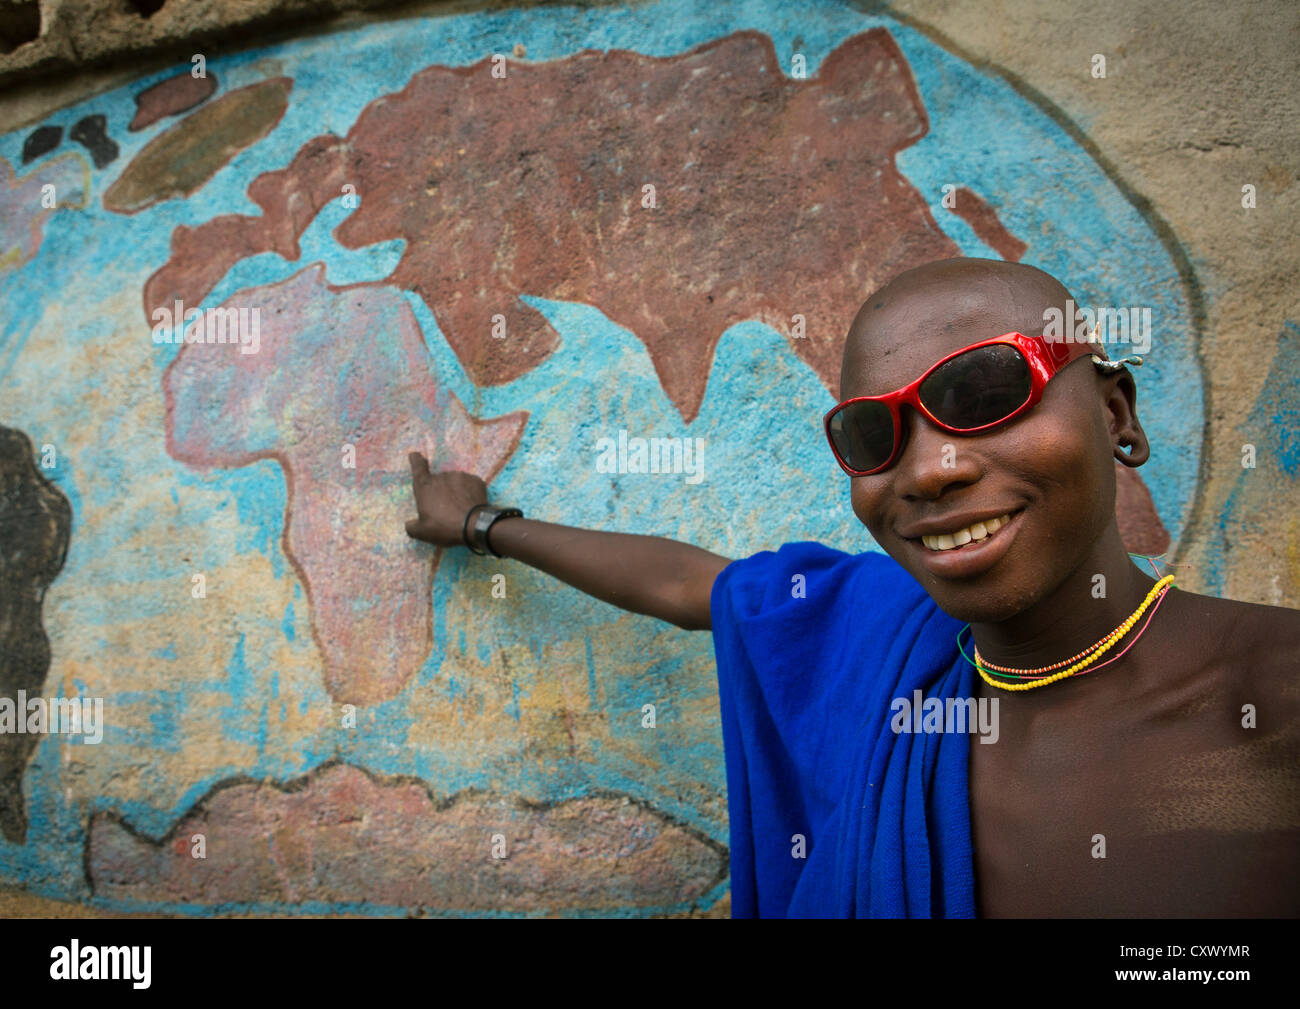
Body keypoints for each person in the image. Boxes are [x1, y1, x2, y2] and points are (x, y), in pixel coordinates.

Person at [404, 257, 1300, 917]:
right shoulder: (871, 640)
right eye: (875, 435)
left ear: (1114, 415)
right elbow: (691, 583)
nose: (928, 471)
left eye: (986, 390)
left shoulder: (1275, 703)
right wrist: (483, 525)